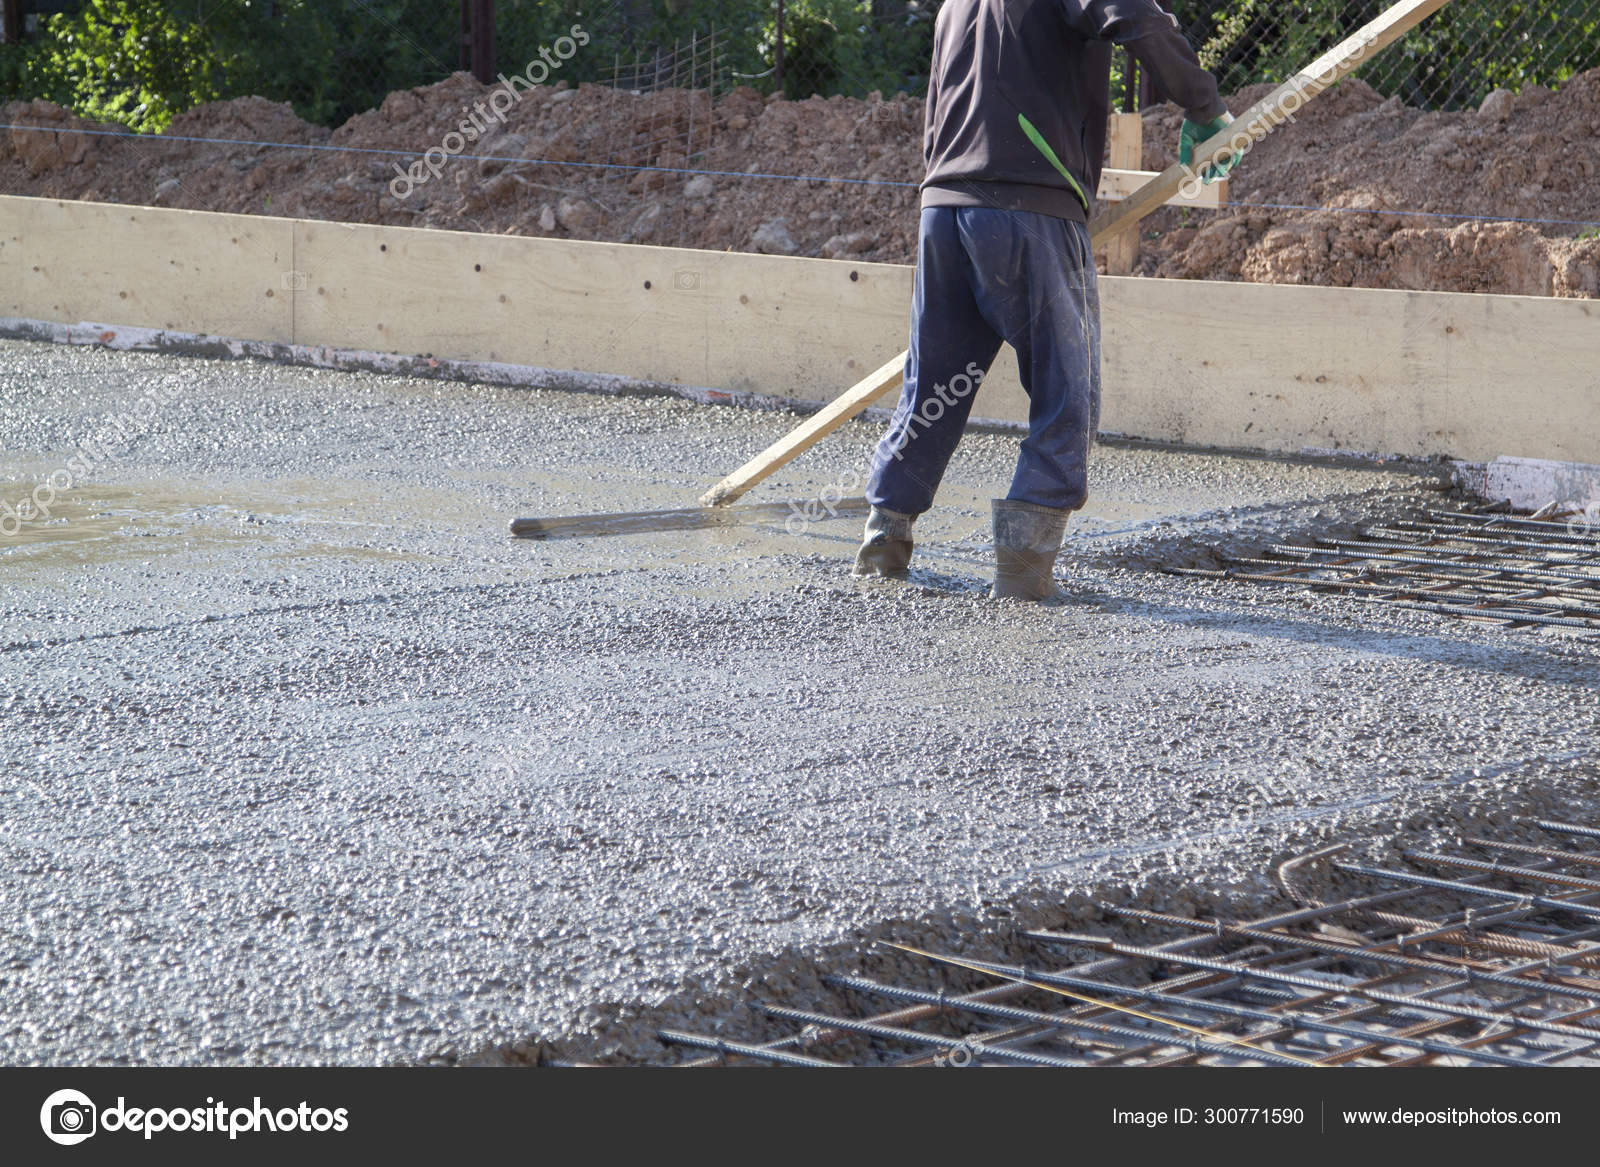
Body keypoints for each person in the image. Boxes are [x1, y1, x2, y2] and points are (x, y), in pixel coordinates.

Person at [853, 0, 1234, 600]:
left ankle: (885, 538)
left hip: (944, 210)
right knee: (1065, 387)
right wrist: (1205, 104)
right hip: (1029, 207)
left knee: (934, 385)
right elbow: (1134, 13)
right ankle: (1023, 566)